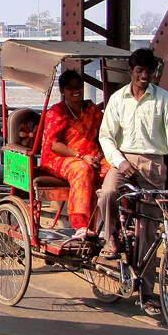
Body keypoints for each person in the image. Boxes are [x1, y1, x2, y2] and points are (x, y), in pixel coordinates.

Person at [97, 48, 168, 313]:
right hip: (124, 161)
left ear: (153, 73)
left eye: (148, 72)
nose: (144, 76)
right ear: (131, 72)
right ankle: (111, 238)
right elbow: (106, 137)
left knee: (148, 231)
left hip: (153, 165)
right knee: (107, 193)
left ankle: (147, 292)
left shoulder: (164, 100)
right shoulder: (118, 100)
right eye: (139, 71)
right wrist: (121, 161)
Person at [40, 70, 111, 236]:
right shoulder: (56, 112)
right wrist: (81, 156)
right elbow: (54, 144)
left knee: (113, 170)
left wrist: (98, 156)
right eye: (70, 88)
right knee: (82, 169)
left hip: (92, 156)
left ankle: (109, 223)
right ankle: (81, 225)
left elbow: (102, 136)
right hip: (59, 158)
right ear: (62, 91)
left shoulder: (92, 111)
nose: (75, 91)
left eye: (78, 87)